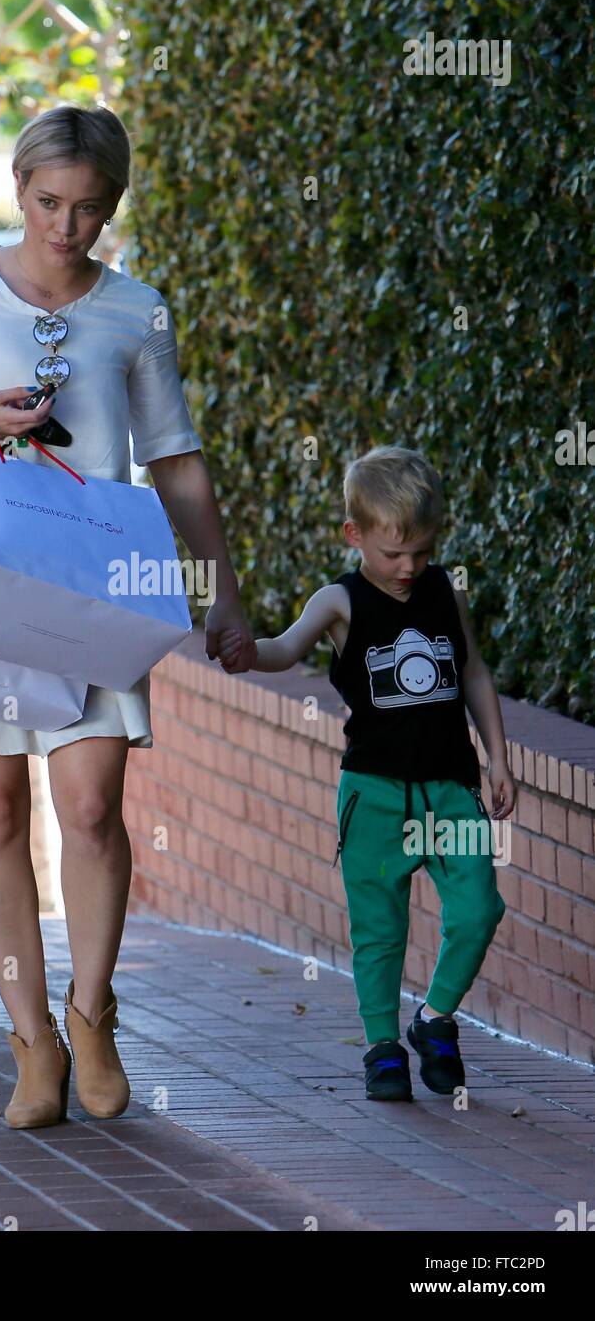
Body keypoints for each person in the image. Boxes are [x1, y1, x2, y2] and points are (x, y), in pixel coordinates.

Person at [0, 104, 256, 1128]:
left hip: (94, 574)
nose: (65, 228)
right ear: (17, 187)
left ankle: (90, 1014)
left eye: (87, 209)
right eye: (46, 203)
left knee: (87, 810)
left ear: (112, 205)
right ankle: (29, 1041)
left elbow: (175, 459)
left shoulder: (136, 310)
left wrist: (221, 590)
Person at [235, 445, 515, 1102]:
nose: (409, 568)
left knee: (479, 908)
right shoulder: (341, 600)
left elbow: (471, 669)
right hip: (374, 794)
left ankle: (435, 1019)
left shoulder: (444, 589)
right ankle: (382, 1047)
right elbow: (285, 647)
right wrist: (248, 650)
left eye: (422, 550)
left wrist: (498, 756)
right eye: (395, 554)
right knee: (380, 929)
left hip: (452, 788)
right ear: (354, 535)